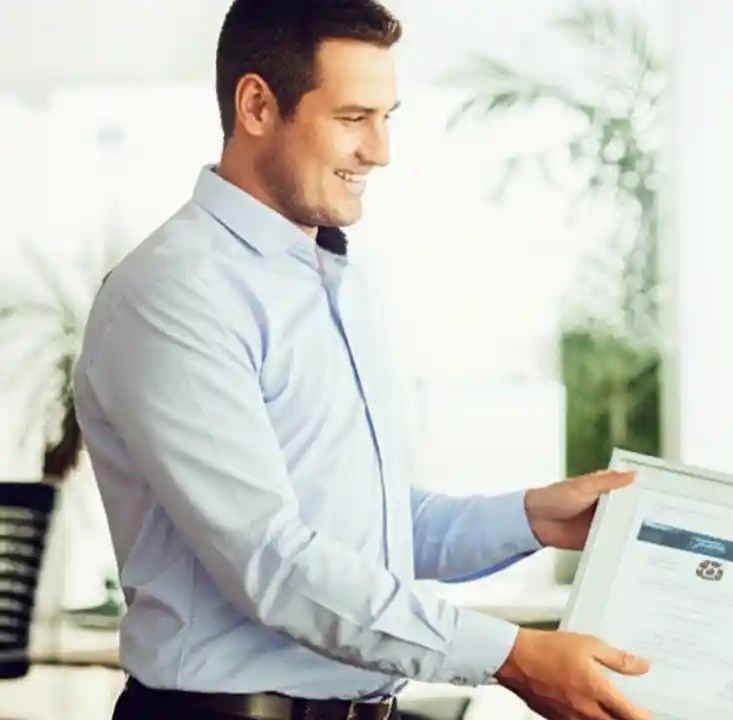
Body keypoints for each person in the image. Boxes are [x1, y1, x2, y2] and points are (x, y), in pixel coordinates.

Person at [73, 2, 652, 719]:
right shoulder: (174, 295)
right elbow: (275, 564)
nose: (380, 151)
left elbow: (363, 533)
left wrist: (534, 519)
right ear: (257, 104)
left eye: (388, 117)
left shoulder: (332, 280)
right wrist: (509, 656)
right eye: (353, 118)